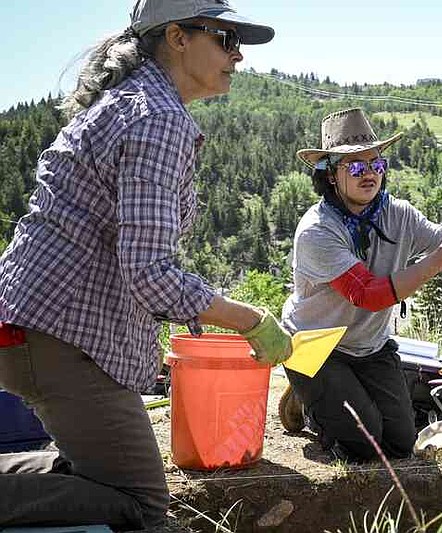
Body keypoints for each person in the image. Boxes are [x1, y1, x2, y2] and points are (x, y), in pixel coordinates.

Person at [0, 1, 291, 528]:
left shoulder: (131, 104)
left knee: (91, 476)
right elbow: (150, 273)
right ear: (177, 37)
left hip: (44, 328)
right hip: (61, 337)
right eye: (224, 39)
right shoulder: (157, 118)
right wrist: (250, 319)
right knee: (139, 503)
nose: (239, 55)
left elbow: (119, 261)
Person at [281, 107, 442, 462]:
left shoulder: (398, 213)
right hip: (315, 346)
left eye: (376, 164)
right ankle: (310, 402)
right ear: (330, 175)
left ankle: (327, 396)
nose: (369, 174)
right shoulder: (317, 231)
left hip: (368, 345)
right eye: (355, 167)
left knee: (400, 443)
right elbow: (368, 294)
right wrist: (440, 258)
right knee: (364, 446)